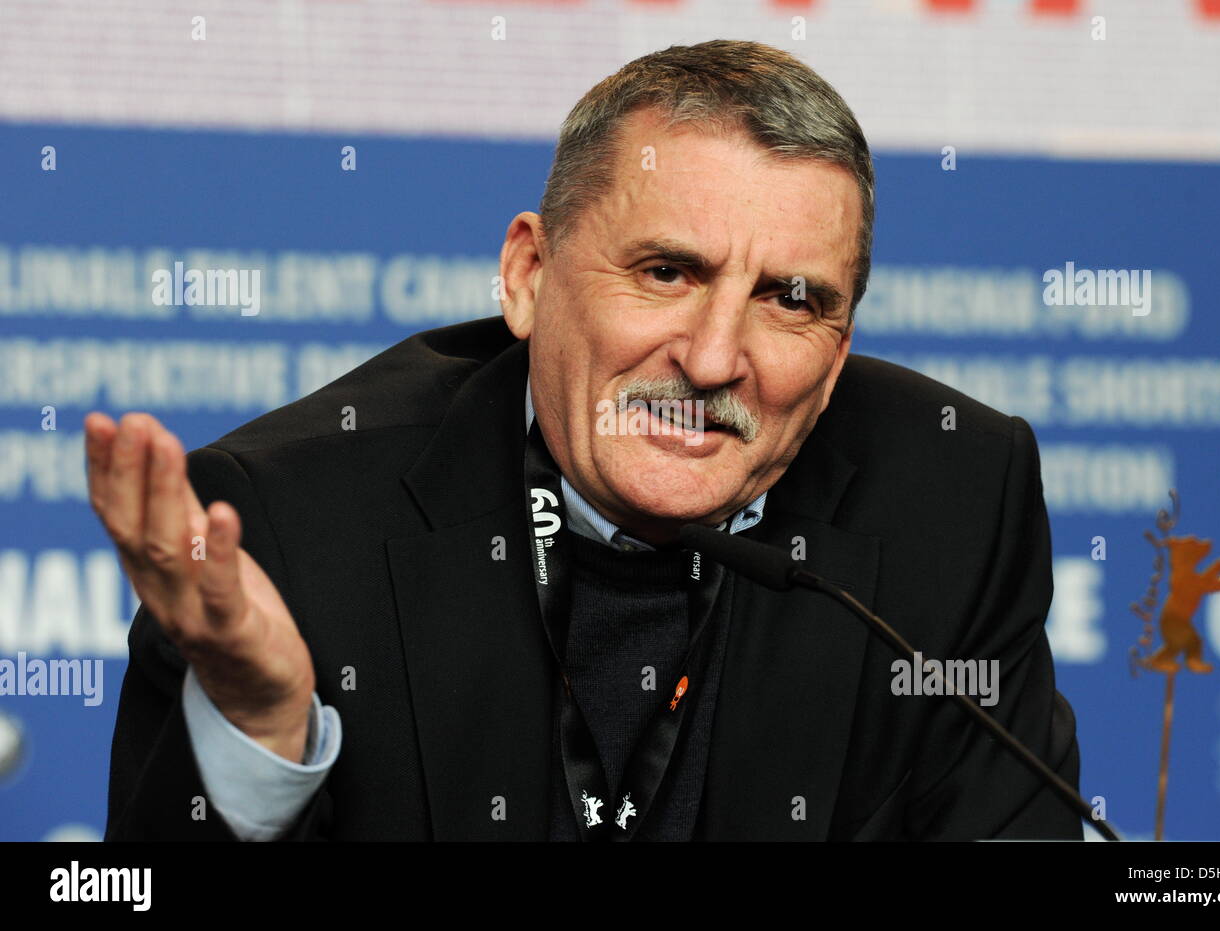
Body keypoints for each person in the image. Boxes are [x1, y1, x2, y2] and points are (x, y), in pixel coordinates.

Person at [92, 39, 1082, 841]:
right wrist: (264, 721)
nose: (710, 358)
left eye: (789, 300)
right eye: (666, 272)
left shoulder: (955, 501)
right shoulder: (290, 523)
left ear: (836, 353)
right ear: (527, 274)